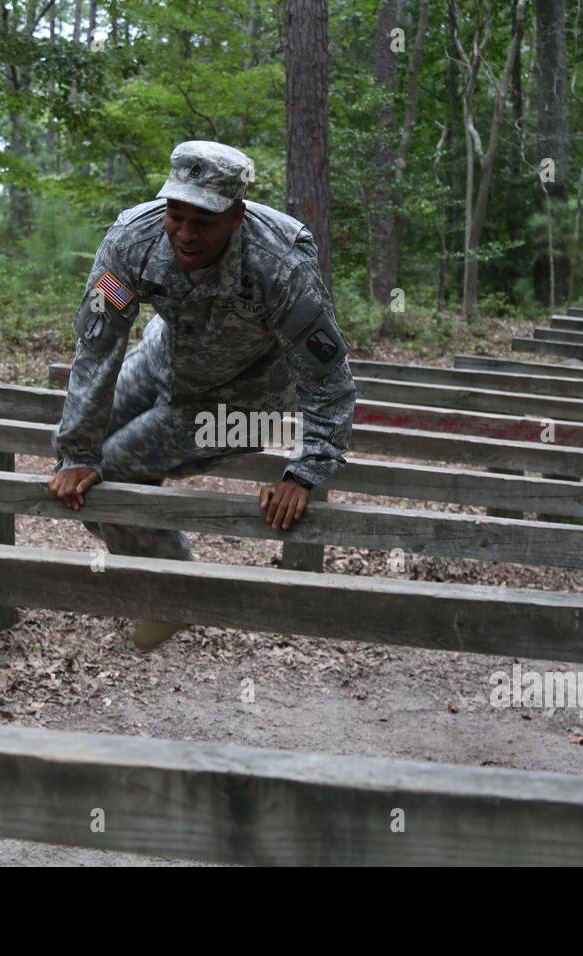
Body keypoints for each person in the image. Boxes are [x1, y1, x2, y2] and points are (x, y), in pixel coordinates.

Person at [48, 140, 356, 650]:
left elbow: (327, 373)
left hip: (247, 402)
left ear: (236, 216)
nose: (185, 234)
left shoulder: (279, 265)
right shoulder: (134, 240)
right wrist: (76, 450)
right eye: (177, 215)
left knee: (118, 469)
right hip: (166, 358)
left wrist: (306, 469)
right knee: (75, 463)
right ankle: (148, 562)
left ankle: (176, 594)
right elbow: (100, 341)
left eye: (204, 222)